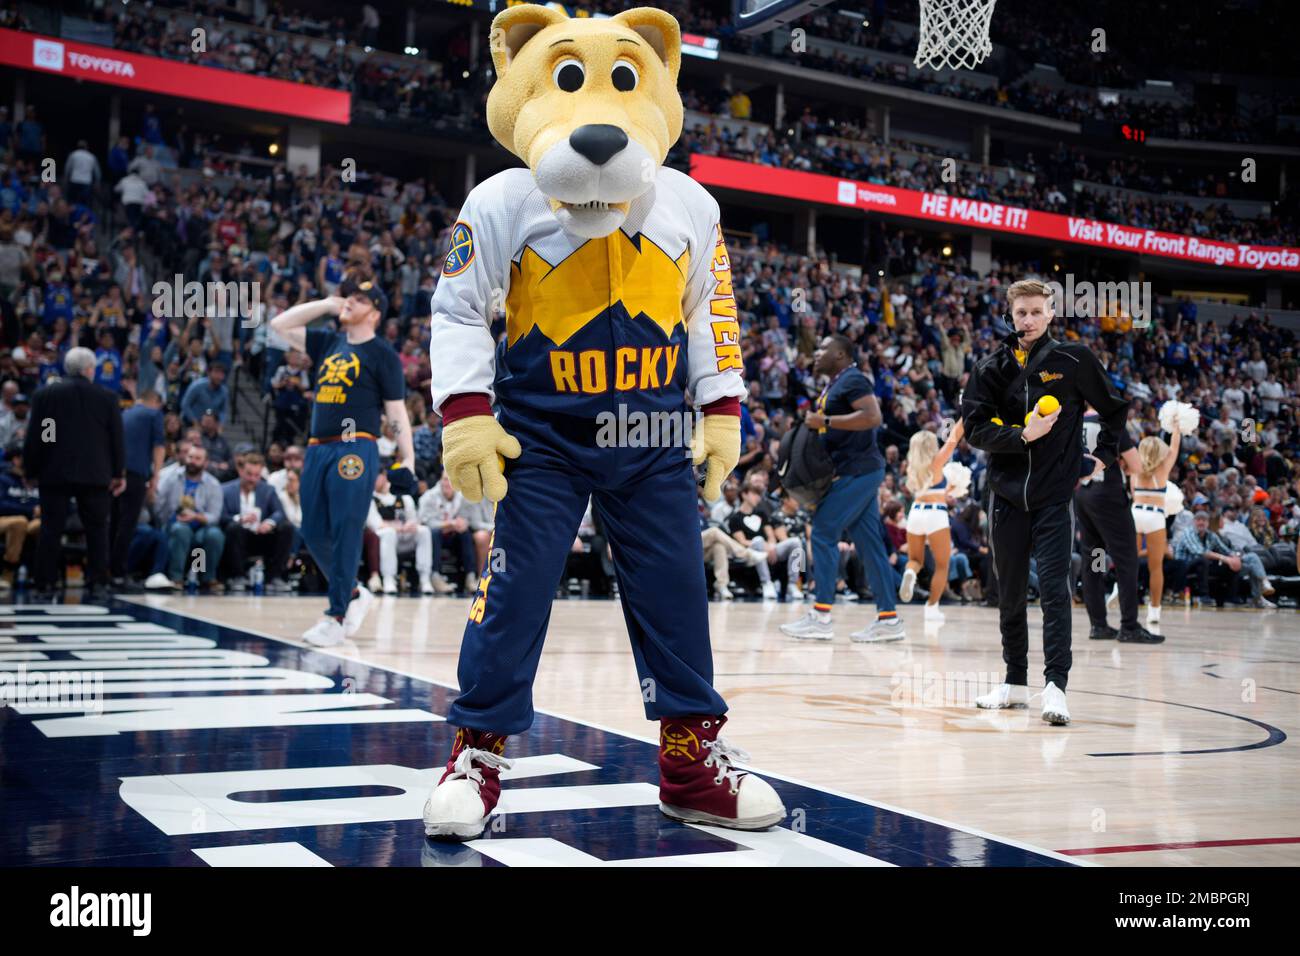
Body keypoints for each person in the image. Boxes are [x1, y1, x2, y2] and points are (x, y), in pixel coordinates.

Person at [960, 279, 1129, 726]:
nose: (1029, 320)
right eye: (1021, 313)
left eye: (1037, 311)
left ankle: (1056, 687)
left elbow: (1114, 410)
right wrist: (1022, 436)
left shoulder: (1075, 359)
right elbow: (975, 429)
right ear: (1010, 315)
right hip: (1006, 497)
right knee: (1009, 593)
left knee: (1055, 591)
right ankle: (1015, 682)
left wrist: (1102, 458)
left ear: (1051, 313)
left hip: (1055, 497)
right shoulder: (990, 367)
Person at [268, 277, 414, 645]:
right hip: (317, 447)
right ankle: (351, 593)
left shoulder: (382, 354)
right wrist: (328, 303)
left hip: (356, 448)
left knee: (347, 529)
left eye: (361, 298)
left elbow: (396, 411)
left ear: (376, 314)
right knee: (313, 531)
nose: (351, 301)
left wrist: (407, 456)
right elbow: (278, 325)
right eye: (349, 295)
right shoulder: (327, 342)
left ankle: (336, 615)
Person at [781, 335, 902, 642]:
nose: (816, 353)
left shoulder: (853, 380)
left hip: (858, 470)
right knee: (870, 544)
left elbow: (873, 417)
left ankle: (821, 615)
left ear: (839, 353)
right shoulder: (835, 382)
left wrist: (826, 421)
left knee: (822, 530)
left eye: (822, 349)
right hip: (859, 469)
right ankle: (889, 619)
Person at [22, 347, 125, 601]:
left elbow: (40, 436)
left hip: (54, 472)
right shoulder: (107, 397)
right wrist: (118, 472)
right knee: (97, 530)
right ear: (90, 369)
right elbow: (116, 439)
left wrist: (31, 469)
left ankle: (44, 583)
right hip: (95, 473)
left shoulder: (45, 395)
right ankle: (98, 583)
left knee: (50, 528)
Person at [1074, 407, 1160, 641]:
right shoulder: (1109, 420)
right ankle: (1129, 626)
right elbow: (1137, 465)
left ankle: (1099, 624)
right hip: (1108, 496)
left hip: (1083, 494)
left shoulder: (1078, 419)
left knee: (1095, 558)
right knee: (1126, 559)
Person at [898, 421, 964, 625]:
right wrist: (965, 413)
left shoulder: (912, 468)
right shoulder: (937, 462)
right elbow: (953, 438)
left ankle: (910, 573)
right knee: (942, 565)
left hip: (915, 514)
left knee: (916, 560)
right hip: (936, 515)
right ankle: (932, 608)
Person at [111, 389, 165, 592]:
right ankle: (118, 574)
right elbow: (159, 447)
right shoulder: (154, 414)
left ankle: (106, 572)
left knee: (113, 524)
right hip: (136, 475)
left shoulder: (123, 414)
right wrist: (156, 477)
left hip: (115, 474)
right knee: (127, 525)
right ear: (156, 401)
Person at [1129, 427, 1183, 628]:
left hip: (1135, 513)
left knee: (1130, 564)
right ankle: (1154, 610)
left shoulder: (1134, 469)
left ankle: (1126, 600)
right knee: (1155, 567)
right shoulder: (1163, 469)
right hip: (1154, 516)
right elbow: (1174, 446)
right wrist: (1176, 426)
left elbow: (1133, 493)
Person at [154, 443, 225, 592]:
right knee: (181, 530)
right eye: (190, 457)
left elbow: (214, 516)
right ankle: (176, 578)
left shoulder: (213, 484)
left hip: (201, 526)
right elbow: (159, 505)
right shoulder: (170, 478)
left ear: (205, 463)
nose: (192, 461)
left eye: (197, 458)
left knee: (215, 535)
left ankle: (207, 578)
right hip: (174, 524)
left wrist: (196, 517)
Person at [220, 452, 293, 592]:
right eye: (249, 474)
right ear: (241, 470)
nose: (252, 479)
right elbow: (221, 516)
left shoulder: (268, 490)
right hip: (238, 537)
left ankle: (274, 577)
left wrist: (269, 523)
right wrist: (240, 519)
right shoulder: (226, 490)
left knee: (287, 527)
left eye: (257, 475)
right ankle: (238, 576)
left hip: (262, 536)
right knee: (233, 528)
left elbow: (280, 513)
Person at [727, 481, 804, 600]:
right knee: (757, 540)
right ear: (744, 495)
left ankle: (792, 584)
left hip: (768, 549)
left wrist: (771, 545)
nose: (758, 498)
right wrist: (762, 544)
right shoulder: (735, 518)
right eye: (754, 494)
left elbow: (770, 535)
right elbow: (742, 541)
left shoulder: (761, 514)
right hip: (750, 551)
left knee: (795, 541)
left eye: (759, 495)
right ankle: (766, 583)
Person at [368, 470, 434, 595]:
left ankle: (425, 579)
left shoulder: (405, 498)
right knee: (388, 532)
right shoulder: (370, 498)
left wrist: (411, 524)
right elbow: (376, 524)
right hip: (383, 541)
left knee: (424, 531)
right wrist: (396, 527)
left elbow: (414, 519)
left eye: (379, 476)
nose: (376, 479)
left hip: (404, 537)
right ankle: (389, 579)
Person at [0, 443, 40, 591]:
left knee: (43, 525)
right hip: (5, 520)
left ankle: (40, 574)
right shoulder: (3, 479)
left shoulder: (37, 481)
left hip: (32, 522)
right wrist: (29, 510)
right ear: (16, 460)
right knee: (19, 522)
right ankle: (7, 572)